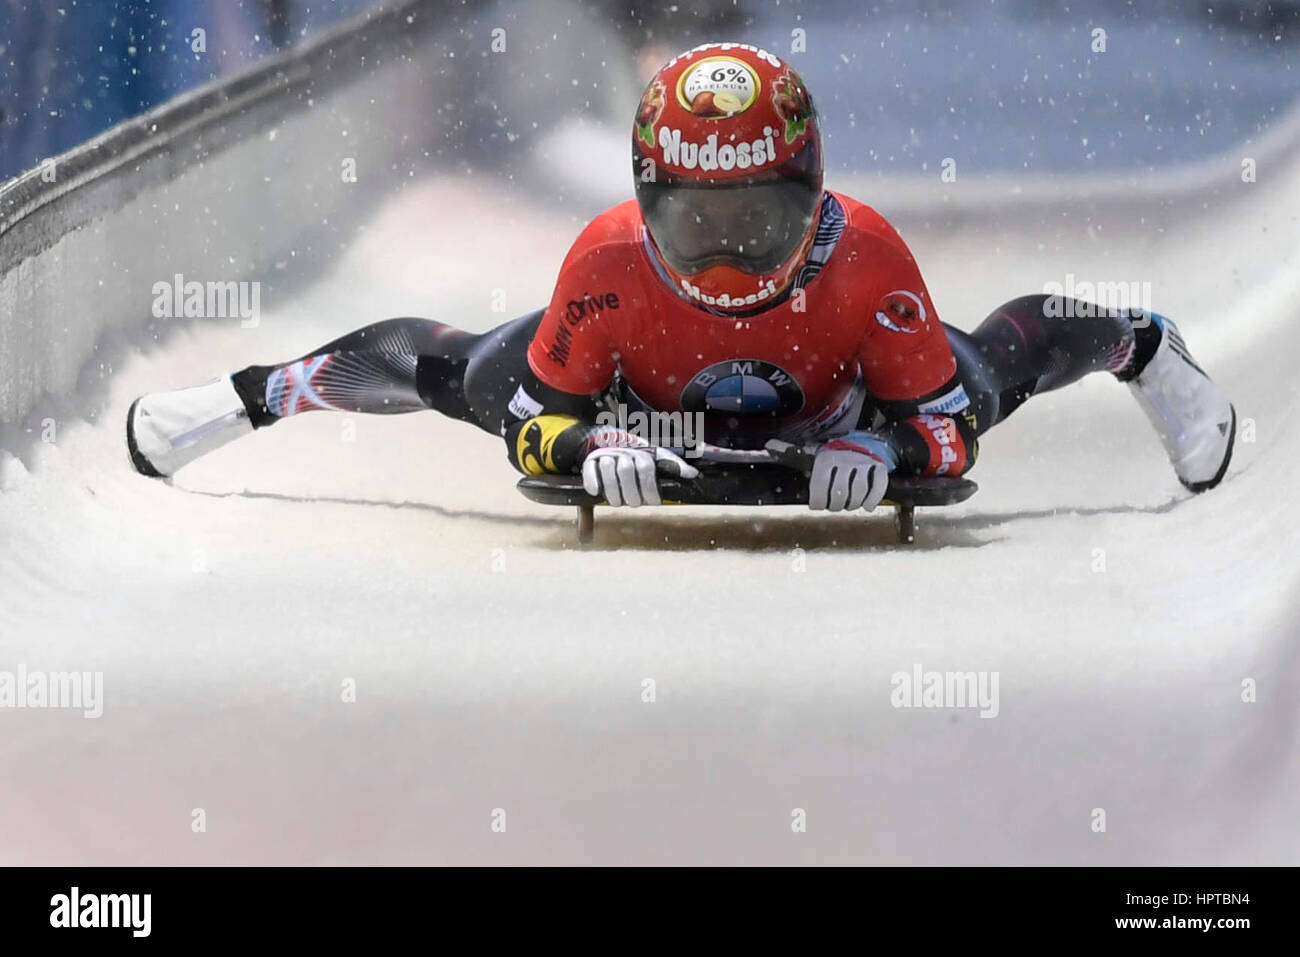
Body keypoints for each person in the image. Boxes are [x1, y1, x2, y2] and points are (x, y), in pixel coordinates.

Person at [127, 42, 1236, 512]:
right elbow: (530, 421)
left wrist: (889, 443)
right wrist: (579, 443)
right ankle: (246, 397)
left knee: (1000, 361)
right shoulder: (606, 262)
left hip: (838, 393)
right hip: (631, 393)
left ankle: (1138, 341)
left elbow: (950, 430)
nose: (724, 257)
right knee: (448, 366)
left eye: (758, 223)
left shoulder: (868, 261)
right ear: (646, 200)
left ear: (813, 194)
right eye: (695, 222)